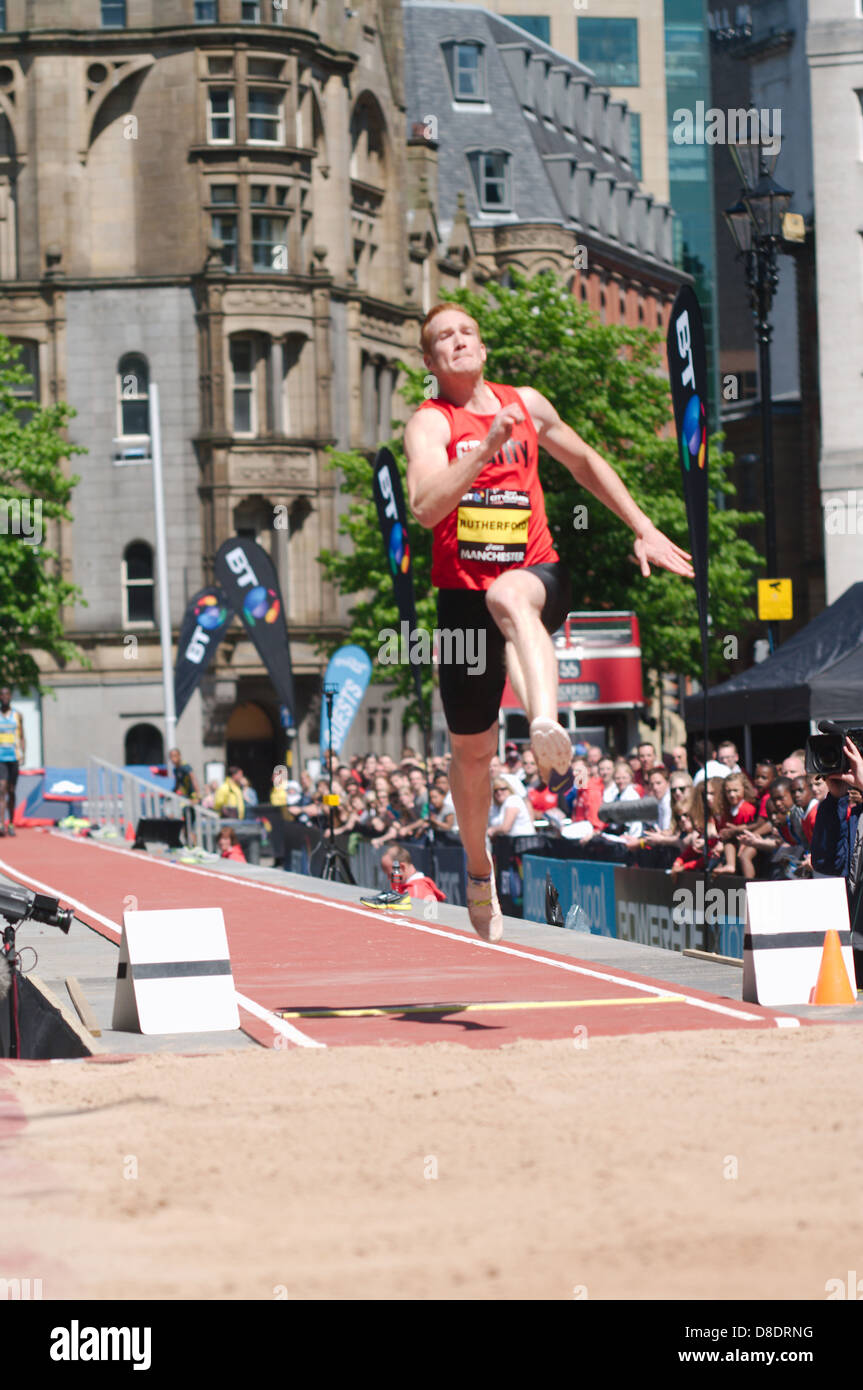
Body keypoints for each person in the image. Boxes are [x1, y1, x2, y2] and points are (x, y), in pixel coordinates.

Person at [404, 303, 693, 940]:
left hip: (537, 571)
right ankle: (478, 868)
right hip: (460, 599)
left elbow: (584, 462)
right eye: (443, 339)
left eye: (466, 332)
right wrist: (484, 448)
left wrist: (643, 528)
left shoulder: (527, 402)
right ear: (430, 362)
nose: (458, 342)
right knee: (471, 753)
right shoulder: (429, 423)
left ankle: (542, 721)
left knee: (511, 596)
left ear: (481, 345)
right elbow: (424, 508)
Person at [0, 686, 24, 837]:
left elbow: (22, 736)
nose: (4, 697)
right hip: (0, 758)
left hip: (13, 757)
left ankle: (12, 823)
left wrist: (24, 753)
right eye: (2, 695)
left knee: (11, 791)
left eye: (7, 694)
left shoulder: (17, 715)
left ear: (10, 697)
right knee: (1, 789)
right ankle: (1, 824)